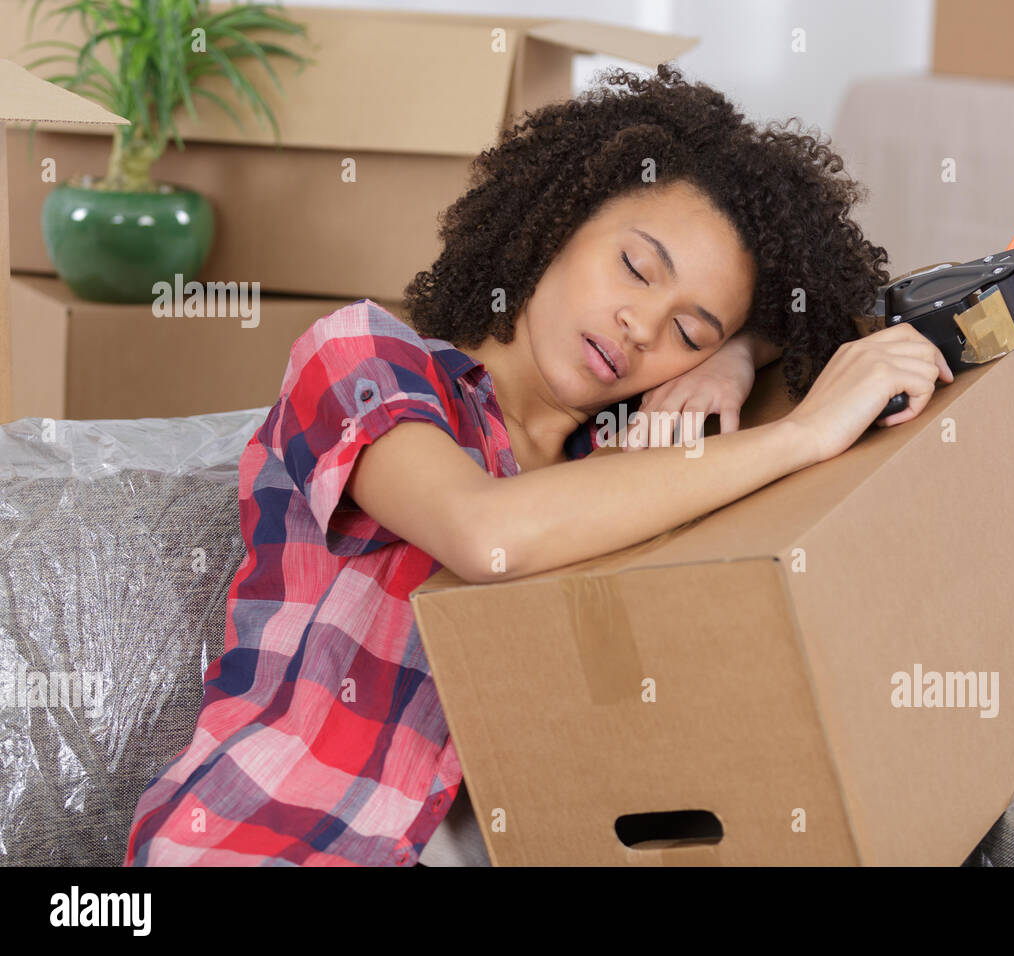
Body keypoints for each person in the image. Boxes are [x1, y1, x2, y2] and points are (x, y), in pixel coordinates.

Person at [122, 63, 951, 867]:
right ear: (559, 222)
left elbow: (855, 314)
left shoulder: (632, 467)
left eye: (687, 330)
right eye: (635, 267)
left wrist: (735, 356)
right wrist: (801, 434)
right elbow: (487, 539)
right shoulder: (364, 358)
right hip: (268, 840)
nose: (638, 326)